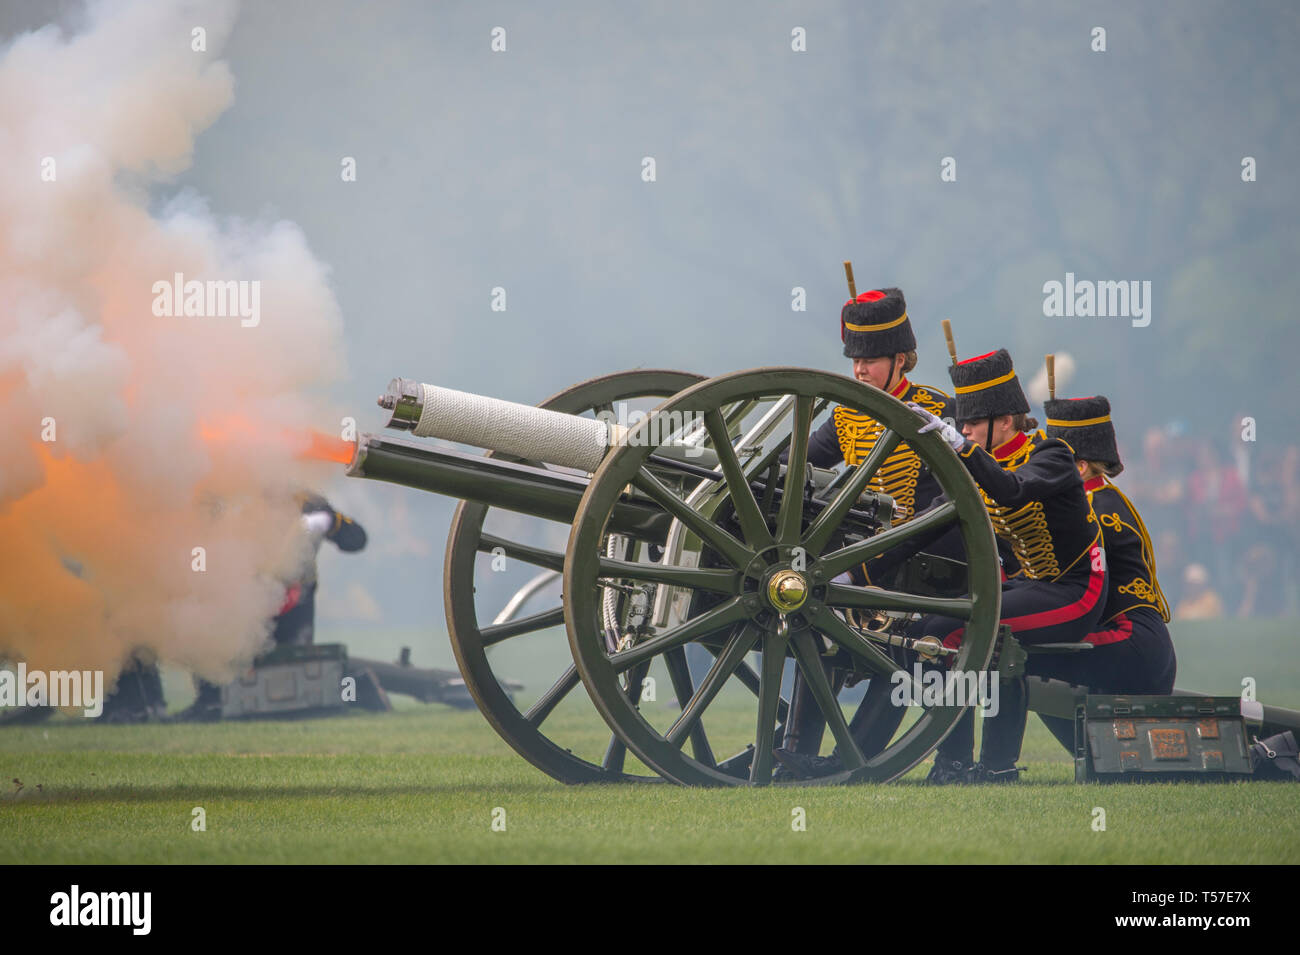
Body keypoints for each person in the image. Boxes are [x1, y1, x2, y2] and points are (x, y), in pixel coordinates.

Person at [772, 286, 954, 778]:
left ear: (901, 360)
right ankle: (797, 753)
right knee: (813, 620)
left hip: (929, 569)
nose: (859, 371)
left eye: (870, 360)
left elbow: (948, 507)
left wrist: (871, 561)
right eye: (855, 360)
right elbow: (796, 463)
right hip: (863, 561)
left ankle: (847, 760)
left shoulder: (935, 412)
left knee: (905, 648)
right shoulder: (849, 411)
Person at [902, 349, 1107, 783]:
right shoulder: (984, 461)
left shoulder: (1051, 454)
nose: (965, 431)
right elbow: (927, 523)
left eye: (972, 424)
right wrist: (851, 571)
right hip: (1029, 585)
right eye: (961, 426)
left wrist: (963, 451)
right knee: (925, 630)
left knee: (946, 634)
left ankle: (964, 764)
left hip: (1075, 592)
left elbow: (1013, 489)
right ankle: (985, 764)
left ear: (1006, 422)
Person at [1027, 393, 1176, 752]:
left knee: (1019, 657)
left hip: (1130, 642)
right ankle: (1096, 755)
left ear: (1078, 468)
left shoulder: (1093, 509)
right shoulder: (1107, 498)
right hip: (1146, 648)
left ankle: (1089, 755)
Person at [178, 492, 367, 720]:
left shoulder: (307, 503)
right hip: (241, 600)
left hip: (294, 604)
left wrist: (323, 522)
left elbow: (356, 540)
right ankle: (211, 704)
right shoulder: (227, 497)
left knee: (290, 675)